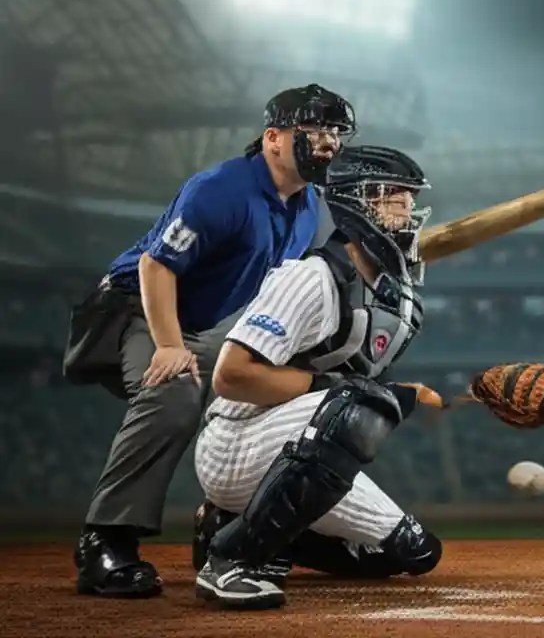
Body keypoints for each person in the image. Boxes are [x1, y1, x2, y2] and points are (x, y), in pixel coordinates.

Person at [63, 83, 356, 598]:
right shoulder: (221, 188)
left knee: (287, 383)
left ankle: (229, 527)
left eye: (335, 132)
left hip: (207, 321)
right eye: (314, 130)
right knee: (174, 392)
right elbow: (157, 266)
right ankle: (104, 539)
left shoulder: (309, 205)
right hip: (136, 307)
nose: (328, 142)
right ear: (273, 138)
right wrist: (171, 347)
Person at [189, 145, 445, 610]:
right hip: (235, 440)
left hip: (291, 443)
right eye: (391, 195)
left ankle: (227, 527)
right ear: (354, 204)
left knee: (416, 551)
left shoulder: (385, 295)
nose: (407, 208)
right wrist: (339, 393)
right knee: (357, 405)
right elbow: (231, 376)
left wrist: (394, 395)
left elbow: (343, 378)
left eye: (409, 197)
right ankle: (230, 560)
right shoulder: (310, 278)